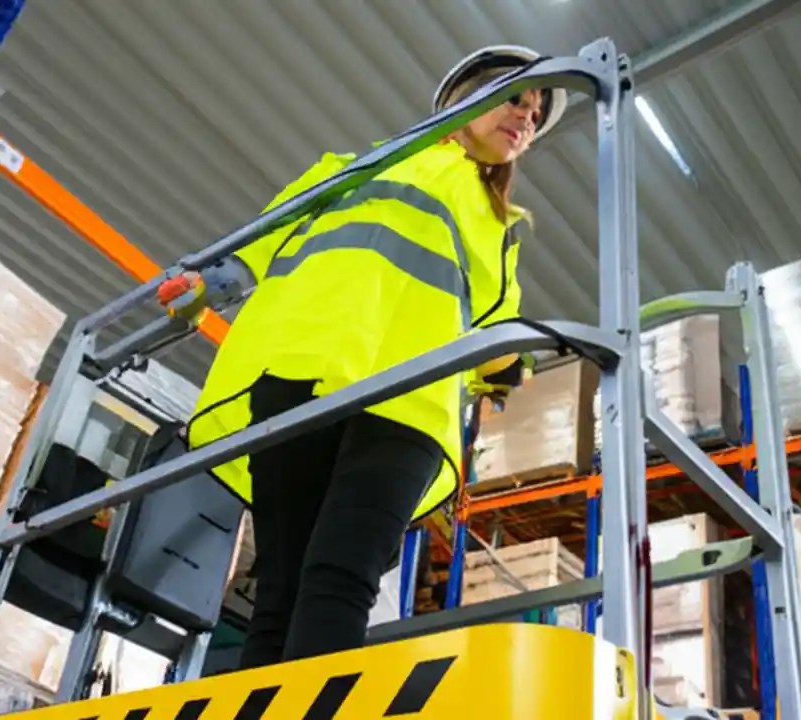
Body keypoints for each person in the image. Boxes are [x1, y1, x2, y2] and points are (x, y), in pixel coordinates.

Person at [158, 45, 567, 669]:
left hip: (410, 402)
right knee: (280, 591)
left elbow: (496, 336)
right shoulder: (356, 168)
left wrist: (515, 367)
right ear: (466, 98)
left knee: (339, 579)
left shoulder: (499, 229)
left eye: (536, 117)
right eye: (518, 99)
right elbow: (263, 239)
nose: (527, 120)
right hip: (301, 376)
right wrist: (205, 285)